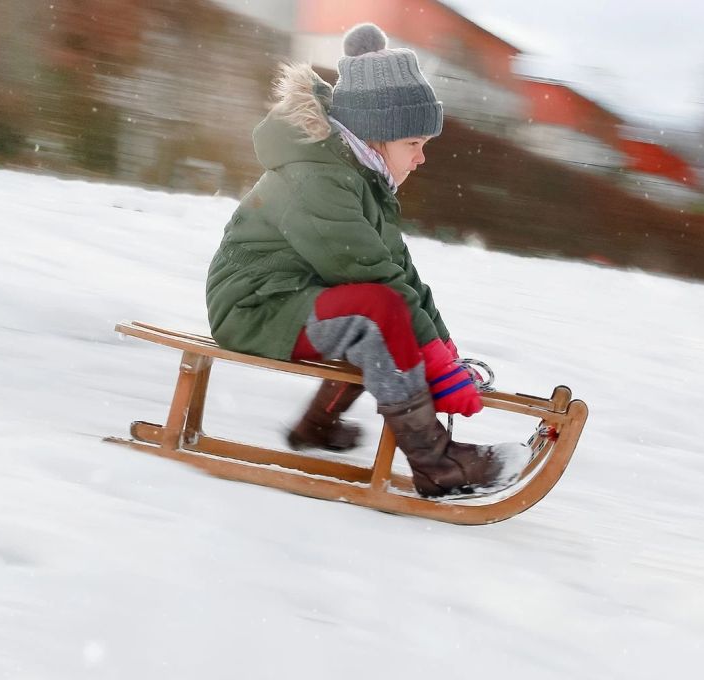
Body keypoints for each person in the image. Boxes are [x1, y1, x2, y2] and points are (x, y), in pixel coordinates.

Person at [205, 23, 523, 498]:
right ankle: (437, 464)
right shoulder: (319, 178)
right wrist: (432, 365)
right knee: (374, 311)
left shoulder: (363, 181)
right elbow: (367, 273)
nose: (420, 159)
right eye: (413, 144)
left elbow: (403, 274)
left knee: (378, 311)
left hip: (294, 298)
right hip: (255, 306)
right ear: (377, 137)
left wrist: (444, 350)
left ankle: (317, 425)